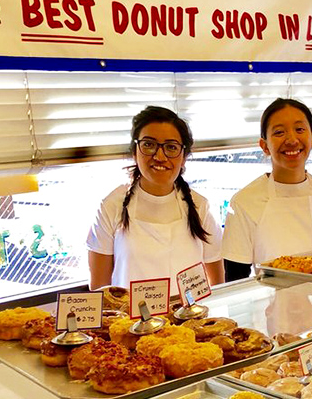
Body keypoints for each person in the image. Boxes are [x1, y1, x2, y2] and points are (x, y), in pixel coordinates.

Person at [87, 106, 224, 291]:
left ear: (183, 157)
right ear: (135, 152)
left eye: (171, 147)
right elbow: (99, 288)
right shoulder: (112, 206)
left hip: (190, 319)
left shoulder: (200, 206)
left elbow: (218, 284)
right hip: (129, 320)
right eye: (149, 144)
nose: (160, 156)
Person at [221, 98, 312, 280]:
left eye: (299, 129)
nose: (291, 140)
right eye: (279, 132)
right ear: (264, 145)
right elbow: (236, 279)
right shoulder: (243, 202)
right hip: (270, 307)